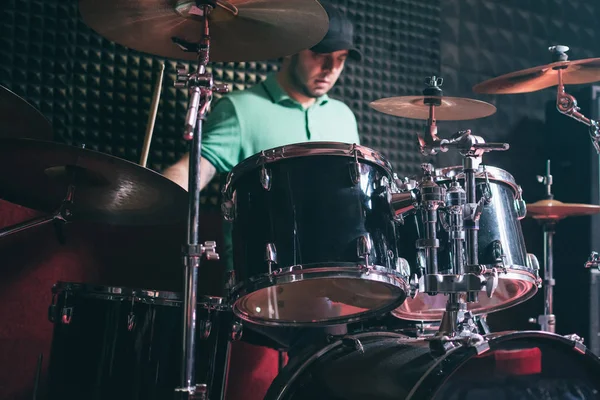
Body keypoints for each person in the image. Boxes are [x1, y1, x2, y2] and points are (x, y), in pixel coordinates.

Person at [163, 3, 362, 399]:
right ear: (292, 49)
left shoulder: (344, 116)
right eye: (320, 57)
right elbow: (191, 174)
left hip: (338, 282)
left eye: (339, 61)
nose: (330, 70)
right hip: (267, 282)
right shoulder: (240, 109)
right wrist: (136, 192)